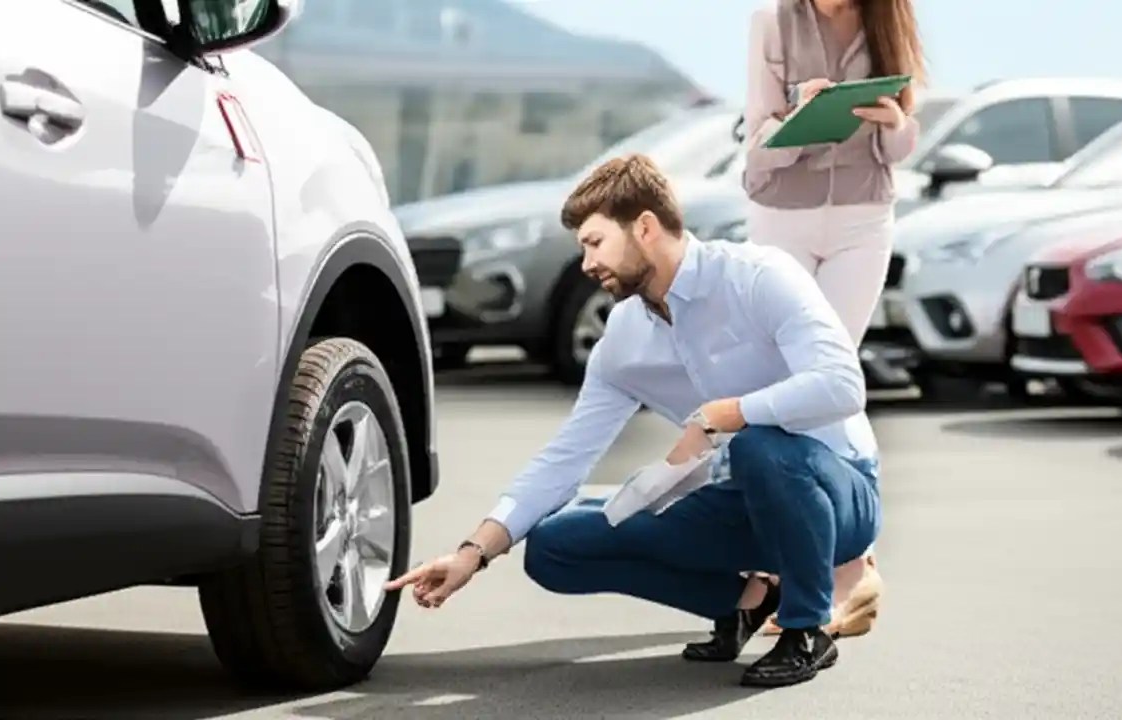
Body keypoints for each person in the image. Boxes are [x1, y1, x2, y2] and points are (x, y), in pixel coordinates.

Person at [384, 154, 882, 688]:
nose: (585, 264)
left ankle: (807, 629)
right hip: (733, 501)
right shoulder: (623, 340)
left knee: (761, 445)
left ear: (644, 227)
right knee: (554, 545)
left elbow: (842, 385)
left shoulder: (757, 276)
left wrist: (729, 413)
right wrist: (472, 554)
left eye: (594, 243)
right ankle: (749, 600)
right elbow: (564, 458)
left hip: (835, 491)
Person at [740, 0, 926, 637]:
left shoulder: (890, 21)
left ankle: (848, 568)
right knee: (777, 379)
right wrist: (800, 119)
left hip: (862, 219)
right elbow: (756, 150)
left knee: (831, 379)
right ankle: (783, 565)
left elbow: (900, 147)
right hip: (781, 218)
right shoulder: (773, 20)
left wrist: (895, 120)